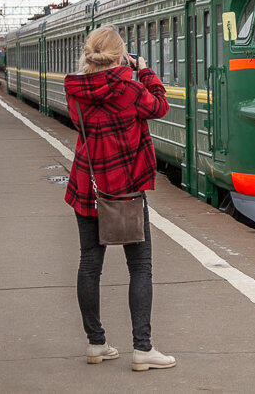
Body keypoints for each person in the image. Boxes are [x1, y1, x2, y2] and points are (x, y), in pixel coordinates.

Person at [64, 25, 175, 371]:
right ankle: (142, 349)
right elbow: (160, 106)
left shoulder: (75, 91)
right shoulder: (129, 89)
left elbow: (82, 124)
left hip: (89, 185)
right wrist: (144, 71)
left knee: (89, 265)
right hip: (125, 187)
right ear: (119, 54)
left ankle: (96, 344)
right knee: (140, 267)